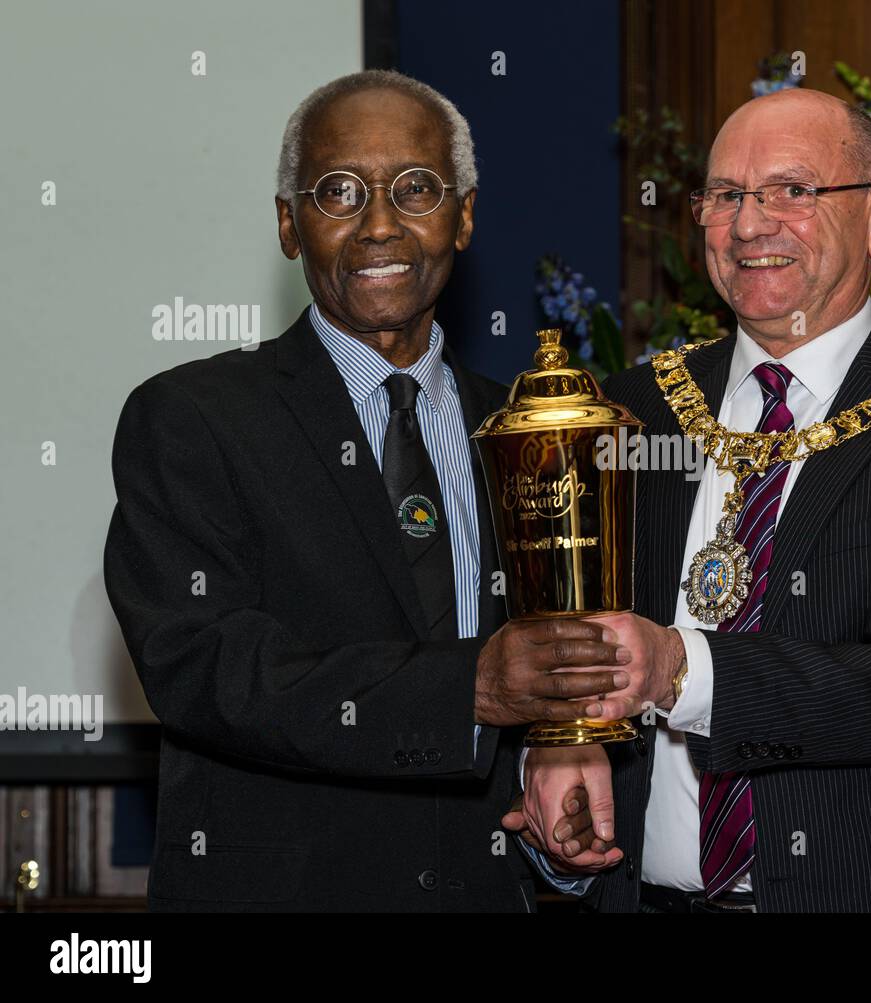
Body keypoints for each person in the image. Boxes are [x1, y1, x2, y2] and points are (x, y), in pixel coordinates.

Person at [506, 88, 871, 912]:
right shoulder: (632, 407)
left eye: (792, 190)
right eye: (725, 196)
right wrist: (558, 763)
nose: (749, 225)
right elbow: (576, 649)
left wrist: (681, 667)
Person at [103, 70, 627, 912]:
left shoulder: (528, 433)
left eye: (415, 188)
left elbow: (555, 702)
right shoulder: (193, 419)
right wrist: (469, 689)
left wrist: (557, 810)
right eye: (337, 191)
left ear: (463, 215)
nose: (380, 223)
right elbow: (207, 669)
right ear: (287, 224)